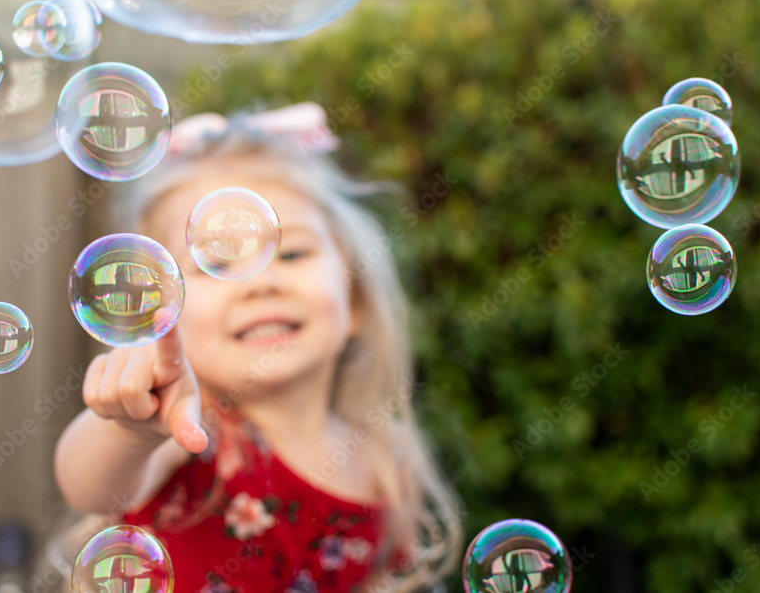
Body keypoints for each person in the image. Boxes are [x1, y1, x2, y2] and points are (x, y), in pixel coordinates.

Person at [53, 102, 462, 593]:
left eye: (291, 253)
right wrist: (132, 432)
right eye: (215, 264)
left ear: (353, 297)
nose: (261, 281)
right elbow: (90, 485)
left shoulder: (381, 461)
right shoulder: (188, 434)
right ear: (159, 311)